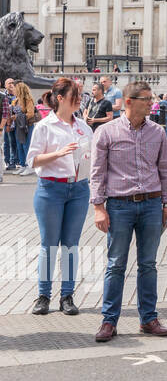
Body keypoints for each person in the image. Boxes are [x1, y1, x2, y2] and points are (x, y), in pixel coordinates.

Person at [90, 81, 167, 342]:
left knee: (148, 264)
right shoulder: (106, 132)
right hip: (119, 205)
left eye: (151, 99)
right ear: (129, 101)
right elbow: (97, 173)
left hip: (151, 203)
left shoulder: (157, 132)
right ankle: (109, 320)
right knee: (116, 264)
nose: (152, 103)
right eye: (146, 99)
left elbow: (166, 169)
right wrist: (98, 208)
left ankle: (149, 318)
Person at [28, 78, 93, 316]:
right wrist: (58, 154)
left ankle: (67, 296)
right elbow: (32, 160)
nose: (79, 99)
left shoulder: (84, 127)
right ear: (60, 98)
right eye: (74, 95)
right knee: (49, 245)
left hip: (78, 189)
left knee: (71, 246)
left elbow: (91, 157)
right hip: (50, 189)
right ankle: (43, 295)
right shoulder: (45, 126)